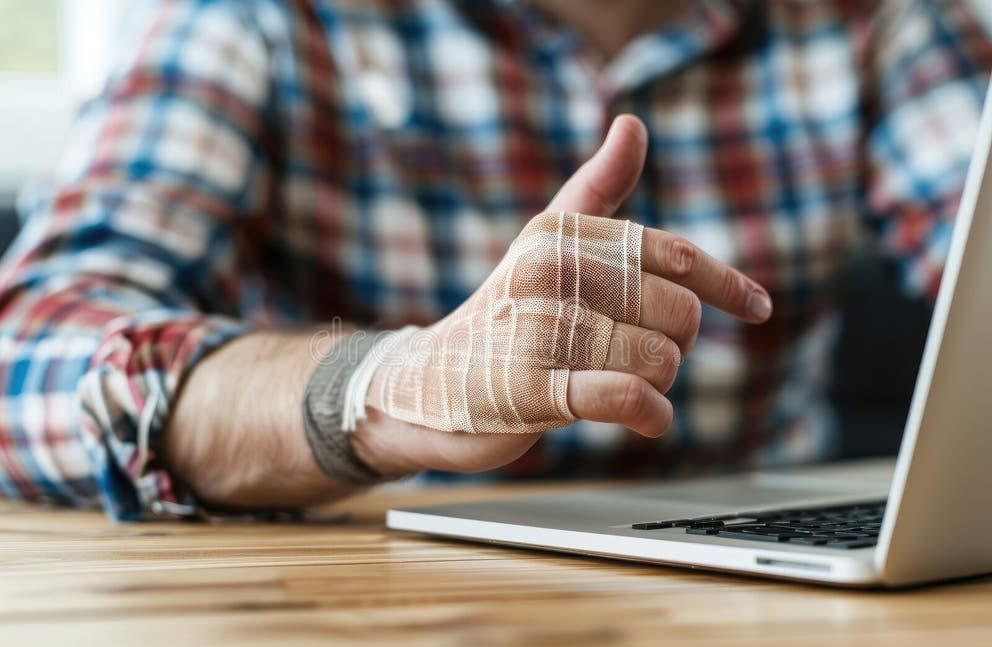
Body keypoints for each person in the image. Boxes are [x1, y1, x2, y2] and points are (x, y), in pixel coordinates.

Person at [0, 0, 988, 520]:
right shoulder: (257, 15)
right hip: (370, 594)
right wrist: (377, 389)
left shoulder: (871, 18)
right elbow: (25, 357)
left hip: (786, 600)